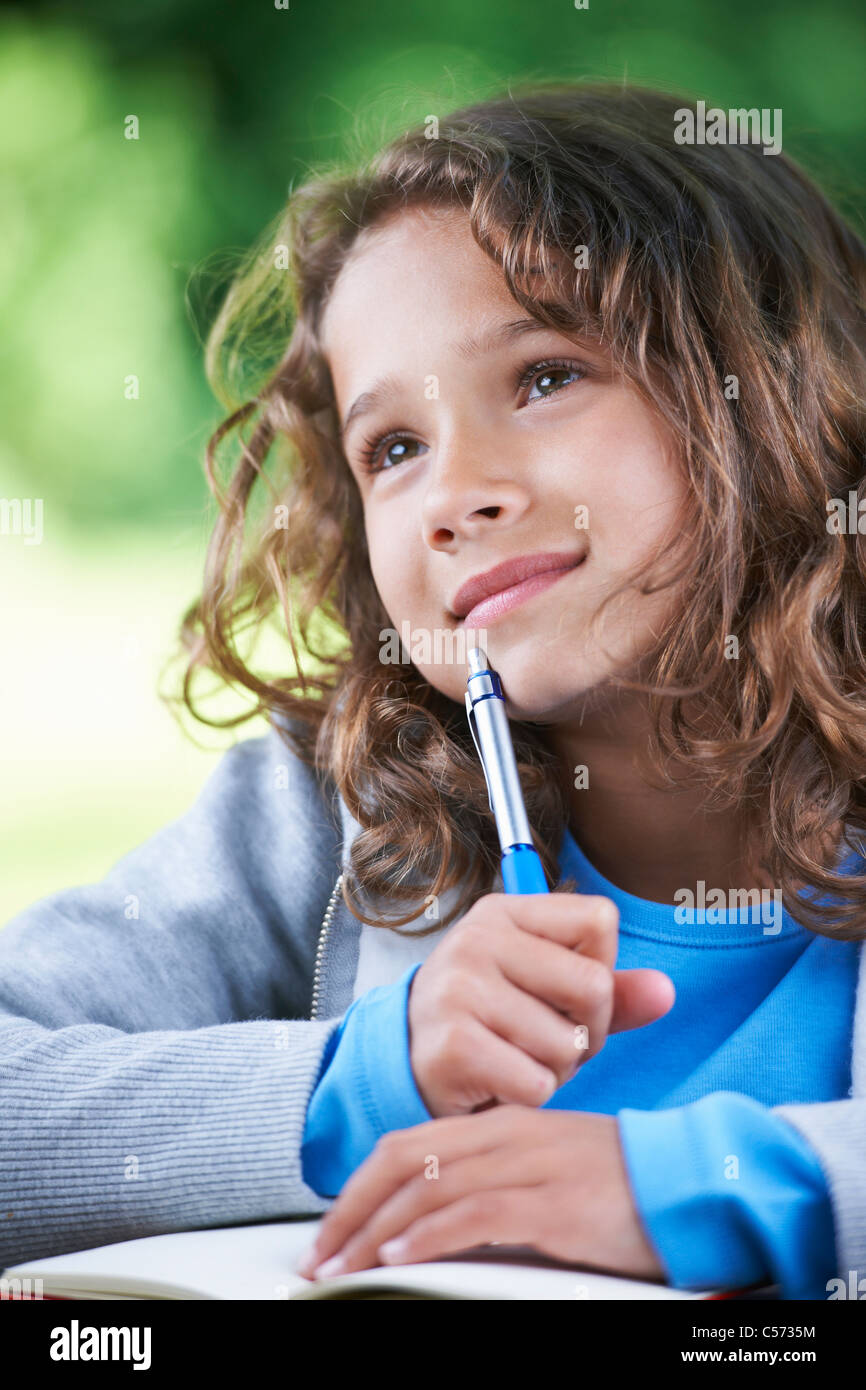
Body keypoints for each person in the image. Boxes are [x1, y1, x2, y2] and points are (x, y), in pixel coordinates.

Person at [2, 81, 865, 1301]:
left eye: (544, 376)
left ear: (769, 393)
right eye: (393, 449)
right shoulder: (327, 808)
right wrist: (355, 1081)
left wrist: (694, 1181)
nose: (456, 491)